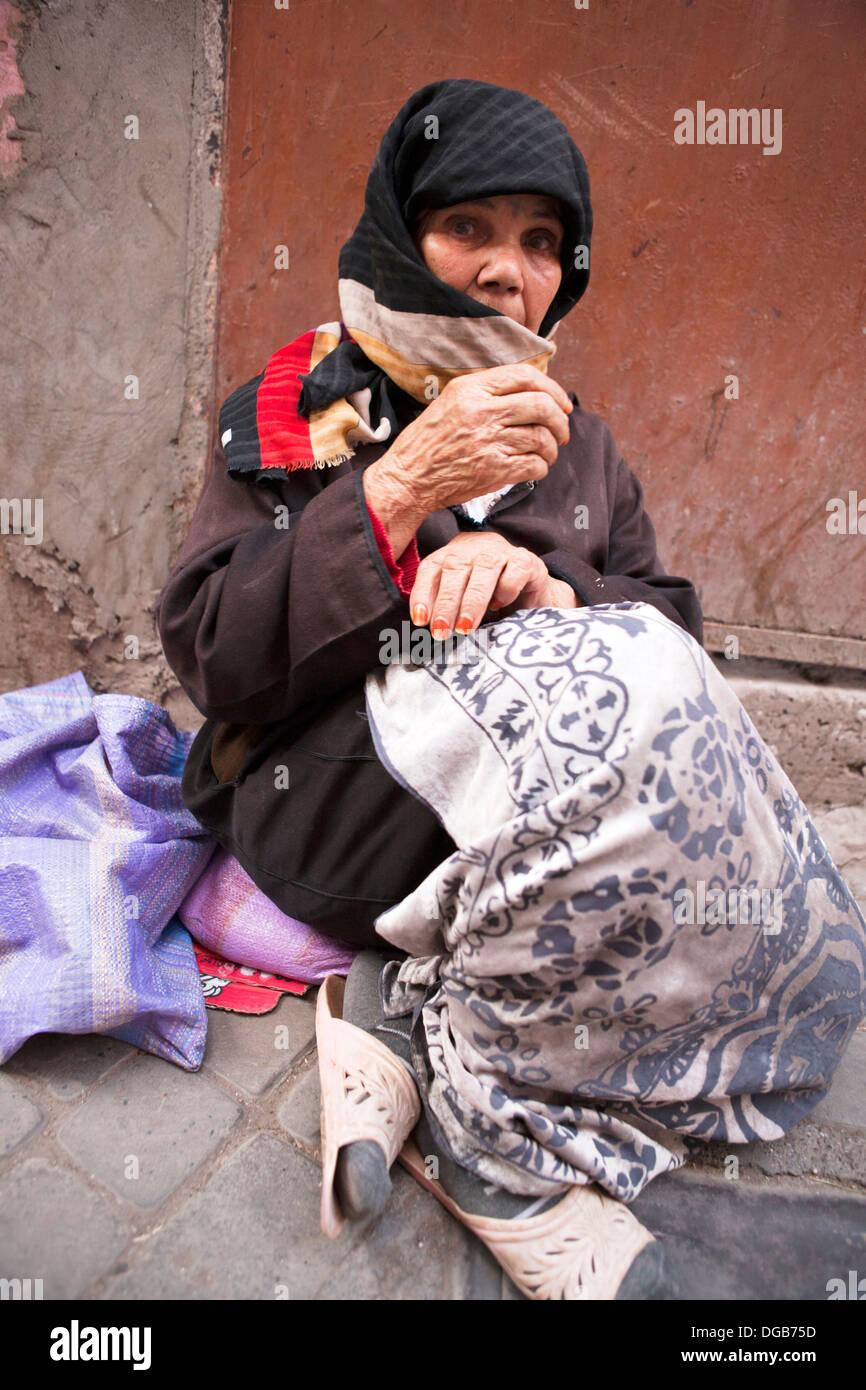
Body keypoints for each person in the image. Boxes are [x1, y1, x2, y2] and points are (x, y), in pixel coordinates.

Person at [157, 79, 866, 1300]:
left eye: (540, 242)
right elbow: (212, 651)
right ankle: (492, 1133)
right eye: (469, 229)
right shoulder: (302, 407)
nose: (507, 270)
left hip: (519, 832)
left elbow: (668, 629)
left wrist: (548, 589)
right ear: (399, 235)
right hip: (329, 809)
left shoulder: (577, 441)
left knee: (723, 812)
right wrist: (393, 495)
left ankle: (403, 995)